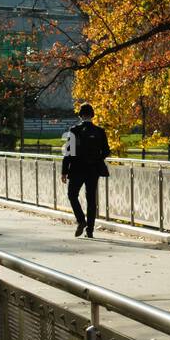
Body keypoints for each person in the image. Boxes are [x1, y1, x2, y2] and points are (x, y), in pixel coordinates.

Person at [61, 102, 110, 238]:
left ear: (81, 115)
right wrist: (96, 159)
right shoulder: (100, 132)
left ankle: (81, 220)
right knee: (91, 199)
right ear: (92, 115)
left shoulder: (74, 131)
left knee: (72, 195)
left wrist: (64, 171)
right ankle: (90, 230)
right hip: (93, 170)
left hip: (77, 169)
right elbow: (106, 151)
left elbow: (68, 152)